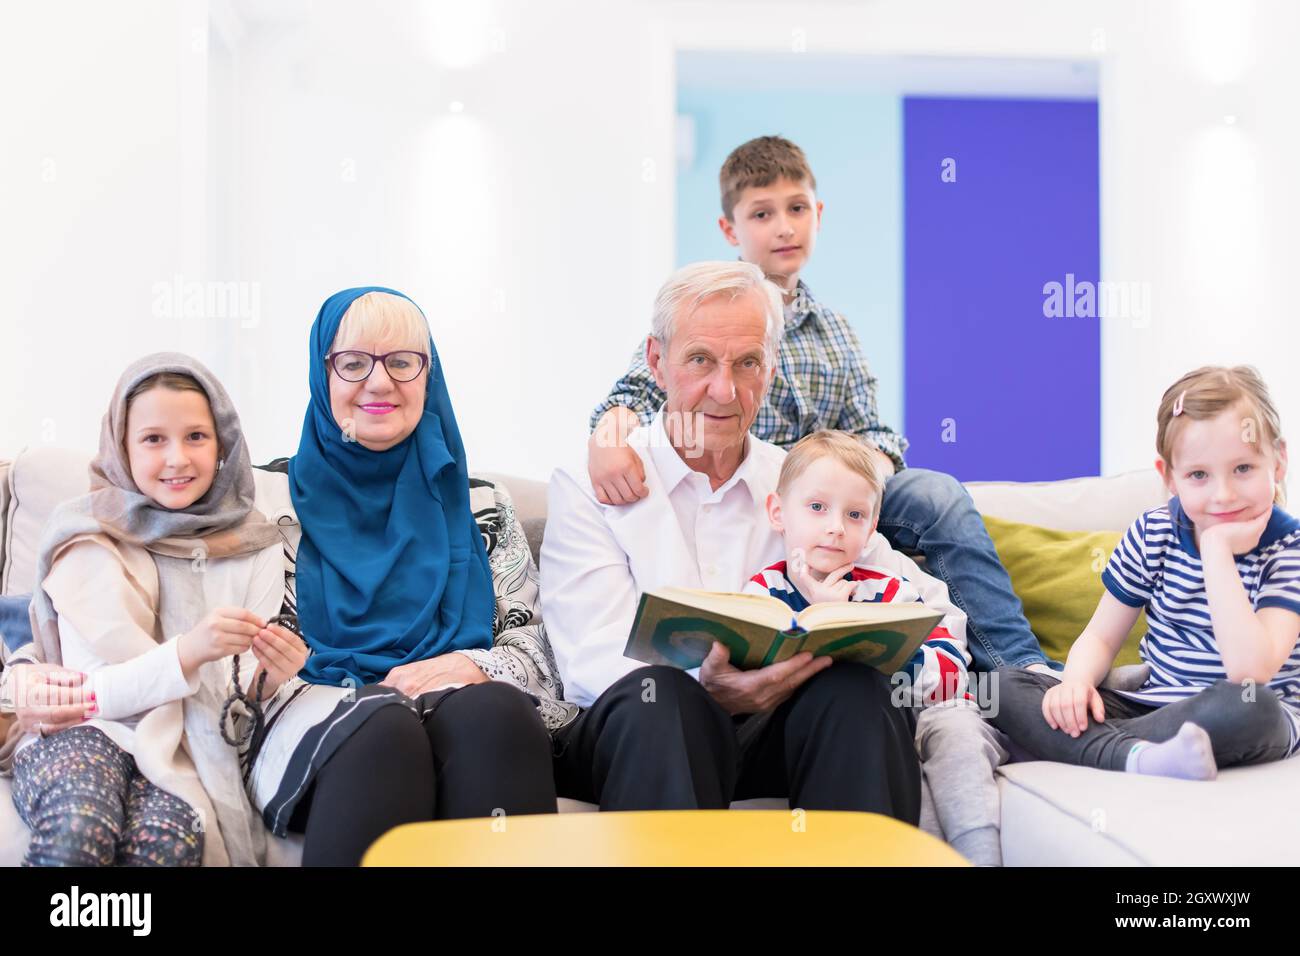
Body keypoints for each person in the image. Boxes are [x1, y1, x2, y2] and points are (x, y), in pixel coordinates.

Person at [586, 134, 1051, 676]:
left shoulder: (835, 330)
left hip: (841, 491)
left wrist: (850, 479)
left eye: (797, 208)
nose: (784, 226)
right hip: (774, 493)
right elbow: (634, 395)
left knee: (936, 492)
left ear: (818, 214)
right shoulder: (704, 312)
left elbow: (875, 432)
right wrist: (609, 437)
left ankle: (1021, 668)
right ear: (730, 230)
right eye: (762, 213)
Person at [543, 261, 920, 819]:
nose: (724, 389)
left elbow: (911, 596)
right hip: (641, 731)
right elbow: (590, 657)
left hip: (772, 727)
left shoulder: (801, 483)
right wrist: (708, 684)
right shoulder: (591, 483)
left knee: (859, 693)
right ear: (656, 362)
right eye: (700, 360)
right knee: (665, 697)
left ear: (770, 370)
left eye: (747, 363)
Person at [248, 287, 566, 866]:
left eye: (402, 362)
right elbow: (241, 656)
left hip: (453, 704)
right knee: (382, 729)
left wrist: (474, 664)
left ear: (428, 375)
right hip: (321, 713)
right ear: (323, 374)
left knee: (497, 713)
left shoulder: (481, 507)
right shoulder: (267, 504)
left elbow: (538, 649)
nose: (379, 382)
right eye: (353, 362)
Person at [2, 354, 296, 866]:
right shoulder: (88, 534)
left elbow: (237, 694)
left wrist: (270, 677)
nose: (177, 459)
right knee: (80, 823)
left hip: (186, 751)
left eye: (196, 437)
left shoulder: (255, 539)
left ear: (223, 442)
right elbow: (89, 696)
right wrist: (189, 652)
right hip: (86, 728)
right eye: (154, 439)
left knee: (169, 842)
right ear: (122, 446)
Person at [991, 366, 1300, 777]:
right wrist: (1076, 683)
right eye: (1198, 475)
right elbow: (1101, 637)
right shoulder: (1154, 531)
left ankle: (1081, 745)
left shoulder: (1288, 549)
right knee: (1003, 688)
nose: (1223, 495)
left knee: (1251, 705)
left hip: (1244, 712)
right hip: (1155, 703)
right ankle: (1139, 757)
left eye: (1243, 468)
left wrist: (1216, 550)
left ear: (1277, 461)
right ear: (1169, 477)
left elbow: (1250, 670)